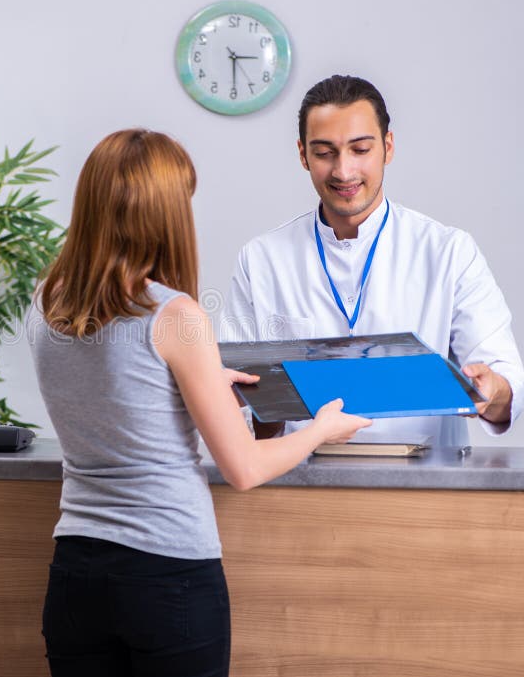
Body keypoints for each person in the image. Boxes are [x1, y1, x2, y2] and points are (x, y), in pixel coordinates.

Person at [27, 128, 371, 677]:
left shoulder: (46, 302)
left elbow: (116, 390)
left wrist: (204, 380)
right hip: (168, 579)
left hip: (75, 575)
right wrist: (319, 430)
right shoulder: (176, 316)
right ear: (163, 213)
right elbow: (244, 469)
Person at [223, 74, 524, 446]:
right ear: (303, 154)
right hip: (299, 483)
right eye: (324, 153)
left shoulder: (449, 251)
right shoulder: (261, 259)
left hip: (426, 484)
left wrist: (491, 390)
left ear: (388, 146)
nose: (343, 171)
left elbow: (505, 384)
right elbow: (233, 396)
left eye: (360, 149)